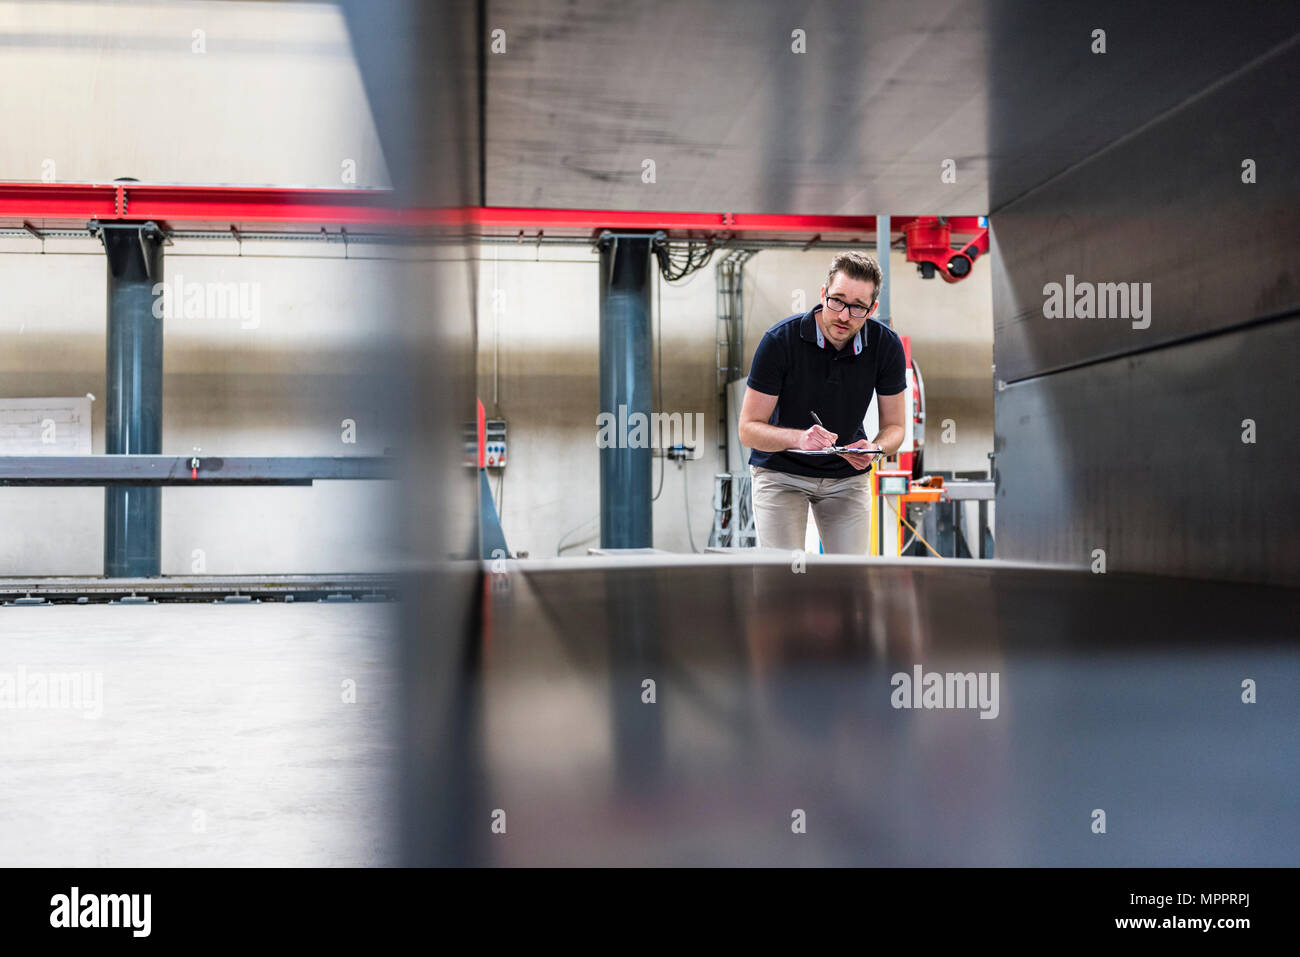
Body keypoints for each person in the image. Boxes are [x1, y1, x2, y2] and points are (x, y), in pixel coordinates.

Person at [738, 251, 907, 553]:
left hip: (846, 479)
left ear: (872, 309)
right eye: (837, 300)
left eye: (857, 307)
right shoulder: (780, 341)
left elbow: (895, 427)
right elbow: (748, 430)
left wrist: (875, 449)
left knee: (850, 583)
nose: (844, 315)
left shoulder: (886, 345)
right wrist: (800, 439)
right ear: (822, 293)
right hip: (781, 474)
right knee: (783, 580)